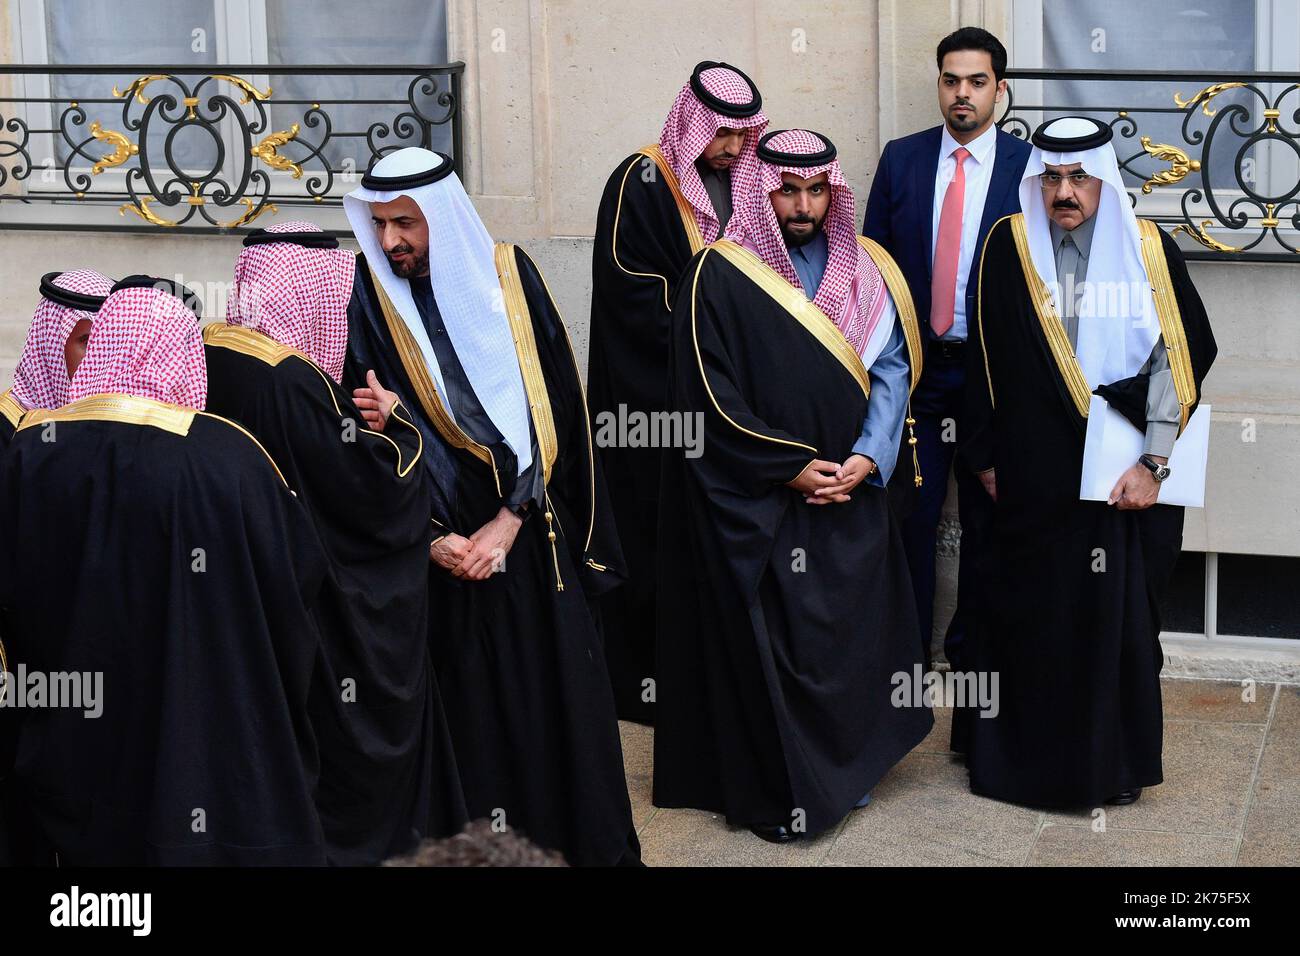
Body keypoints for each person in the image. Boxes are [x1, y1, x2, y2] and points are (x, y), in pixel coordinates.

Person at [343, 147, 639, 866]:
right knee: (471, 716)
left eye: (406, 223)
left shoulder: (510, 276)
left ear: (442, 215)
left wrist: (508, 520)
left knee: (556, 704)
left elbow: (555, 408)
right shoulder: (369, 293)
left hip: (528, 538)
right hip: (439, 549)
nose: (391, 242)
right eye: (380, 225)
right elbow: (362, 433)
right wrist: (436, 538)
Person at [654, 129, 932, 843]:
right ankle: (792, 782)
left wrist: (869, 458)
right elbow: (707, 396)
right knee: (781, 646)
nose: (802, 205)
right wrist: (785, 465)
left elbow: (893, 370)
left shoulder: (866, 267)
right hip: (765, 502)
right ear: (760, 188)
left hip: (853, 491)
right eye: (787, 189)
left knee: (851, 641)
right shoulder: (716, 273)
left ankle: (851, 767)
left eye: (816, 191)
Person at [0, 277, 330, 864]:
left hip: (78, 735)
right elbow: (295, 588)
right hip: (207, 742)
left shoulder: (30, 452)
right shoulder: (232, 456)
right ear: (183, 354)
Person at [960, 116, 1217, 807]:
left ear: (1103, 179)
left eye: (1078, 178)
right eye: (1051, 179)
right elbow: (982, 356)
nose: (1063, 193)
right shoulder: (1007, 247)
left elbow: (1181, 359)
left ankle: (1110, 766)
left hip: (1120, 477)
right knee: (1031, 620)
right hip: (1030, 480)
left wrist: (1153, 464)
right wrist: (984, 457)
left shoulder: (1148, 250)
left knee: (1115, 623)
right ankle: (1024, 766)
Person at [203, 221, 468, 865]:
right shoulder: (292, 380)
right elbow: (373, 495)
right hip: (320, 602)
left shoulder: (209, 351)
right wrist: (399, 428)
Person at [588, 61, 768, 724]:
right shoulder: (640, 180)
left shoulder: (744, 183)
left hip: (721, 396)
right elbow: (632, 295)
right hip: (651, 407)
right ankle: (647, 685)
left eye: (741, 135)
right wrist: (711, 343)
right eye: (722, 133)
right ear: (694, 123)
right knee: (652, 535)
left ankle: (707, 673)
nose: (730, 147)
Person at [862, 26, 1032, 671]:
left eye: (977, 82)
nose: (963, 94)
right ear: (939, 83)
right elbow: (868, 265)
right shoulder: (901, 159)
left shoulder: (1029, 168)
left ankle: (972, 656)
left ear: (1000, 90)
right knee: (910, 513)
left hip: (993, 376)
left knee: (993, 514)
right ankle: (905, 655)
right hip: (918, 372)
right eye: (951, 80)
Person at [1, 270, 114, 447]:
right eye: (88, 341)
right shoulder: (8, 426)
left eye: (107, 342)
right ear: (51, 344)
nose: (101, 356)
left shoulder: (118, 421)